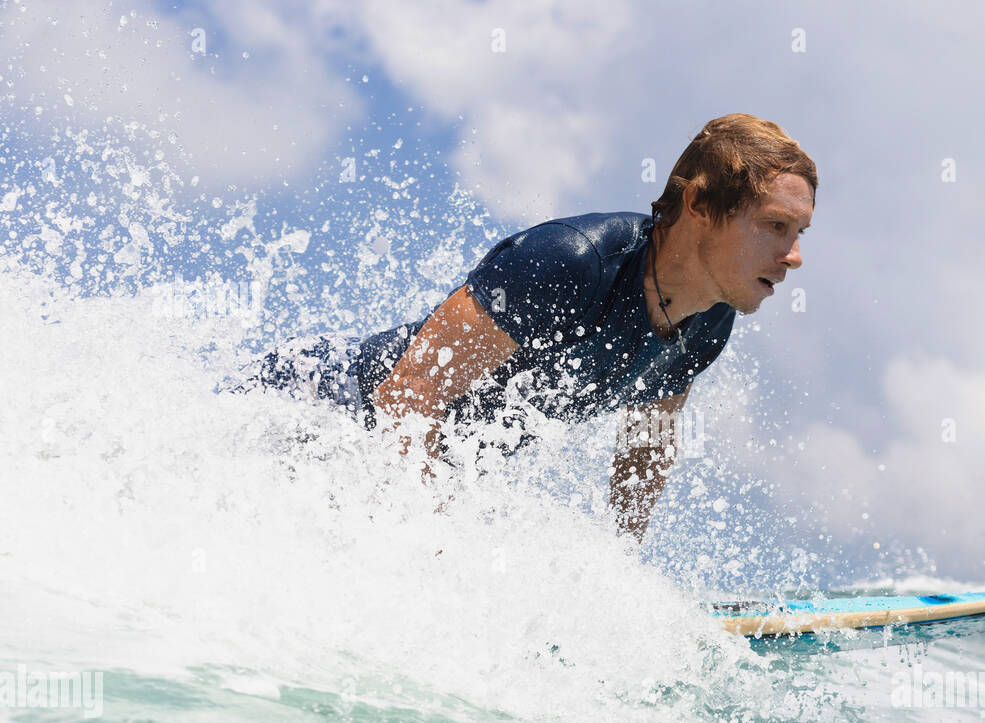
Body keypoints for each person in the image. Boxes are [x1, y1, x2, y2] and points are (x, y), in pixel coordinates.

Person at [241, 113, 816, 541]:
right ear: (698, 203)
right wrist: (424, 539)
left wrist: (616, 585)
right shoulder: (570, 262)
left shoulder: (707, 322)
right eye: (775, 226)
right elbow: (409, 390)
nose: (792, 257)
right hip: (305, 406)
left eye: (799, 234)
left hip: (382, 464)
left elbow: (644, 453)